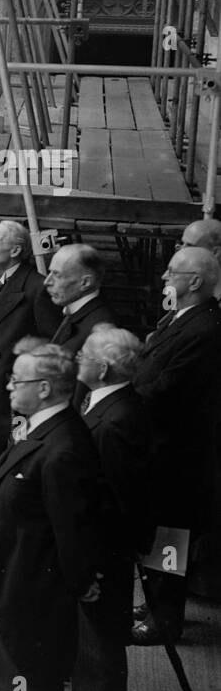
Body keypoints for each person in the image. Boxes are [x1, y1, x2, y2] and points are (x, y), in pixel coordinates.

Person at [0, 344, 101, 691]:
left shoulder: (62, 447)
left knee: (28, 688)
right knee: (18, 686)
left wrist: (70, 586)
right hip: (16, 581)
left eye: (18, 380)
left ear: (45, 388)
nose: (10, 385)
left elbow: (75, 535)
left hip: (32, 591)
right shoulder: (45, 432)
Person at [130, 245, 221, 645]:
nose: (165, 278)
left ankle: (165, 619)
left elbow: (168, 386)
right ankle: (155, 602)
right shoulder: (181, 319)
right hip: (163, 450)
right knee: (161, 534)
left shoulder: (205, 329)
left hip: (180, 457)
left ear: (195, 281)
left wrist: (126, 396)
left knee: (170, 537)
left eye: (172, 272)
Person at [69, 323, 150, 691]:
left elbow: (112, 501)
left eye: (83, 355)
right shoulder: (112, 405)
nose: (77, 359)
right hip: (104, 548)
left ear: (100, 368)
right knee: (91, 638)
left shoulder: (113, 422)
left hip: (101, 550)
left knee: (97, 639)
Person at [0, 220, 61, 572]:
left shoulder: (35, 288)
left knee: (5, 476)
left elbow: (52, 348)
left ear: (16, 250)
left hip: (12, 400)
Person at [44, 244, 119, 355]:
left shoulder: (101, 327)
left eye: (57, 275)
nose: (46, 282)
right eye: (49, 272)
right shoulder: (73, 310)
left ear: (85, 282)